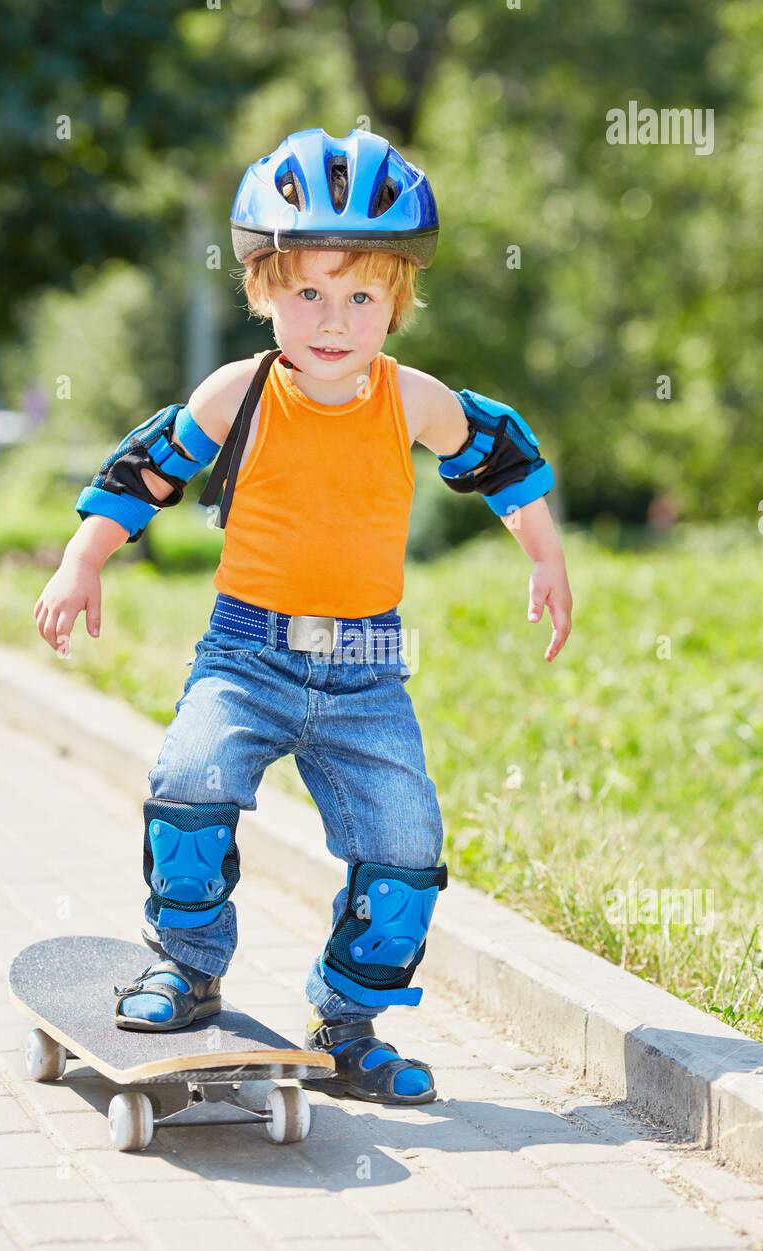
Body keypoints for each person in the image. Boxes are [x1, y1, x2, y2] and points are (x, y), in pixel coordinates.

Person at [34, 127, 573, 1104]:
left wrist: (542, 552)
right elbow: (143, 471)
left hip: (367, 672)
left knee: (405, 853)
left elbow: (497, 457)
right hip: (246, 654)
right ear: (263, 291)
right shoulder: (237, 391)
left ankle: (348, 1026)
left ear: (396, 302)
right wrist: (82, 560)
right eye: (308, 292)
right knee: (189, 787)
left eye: (360, 295)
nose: (334, 319)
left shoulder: (409, 400)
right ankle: (188, 969)